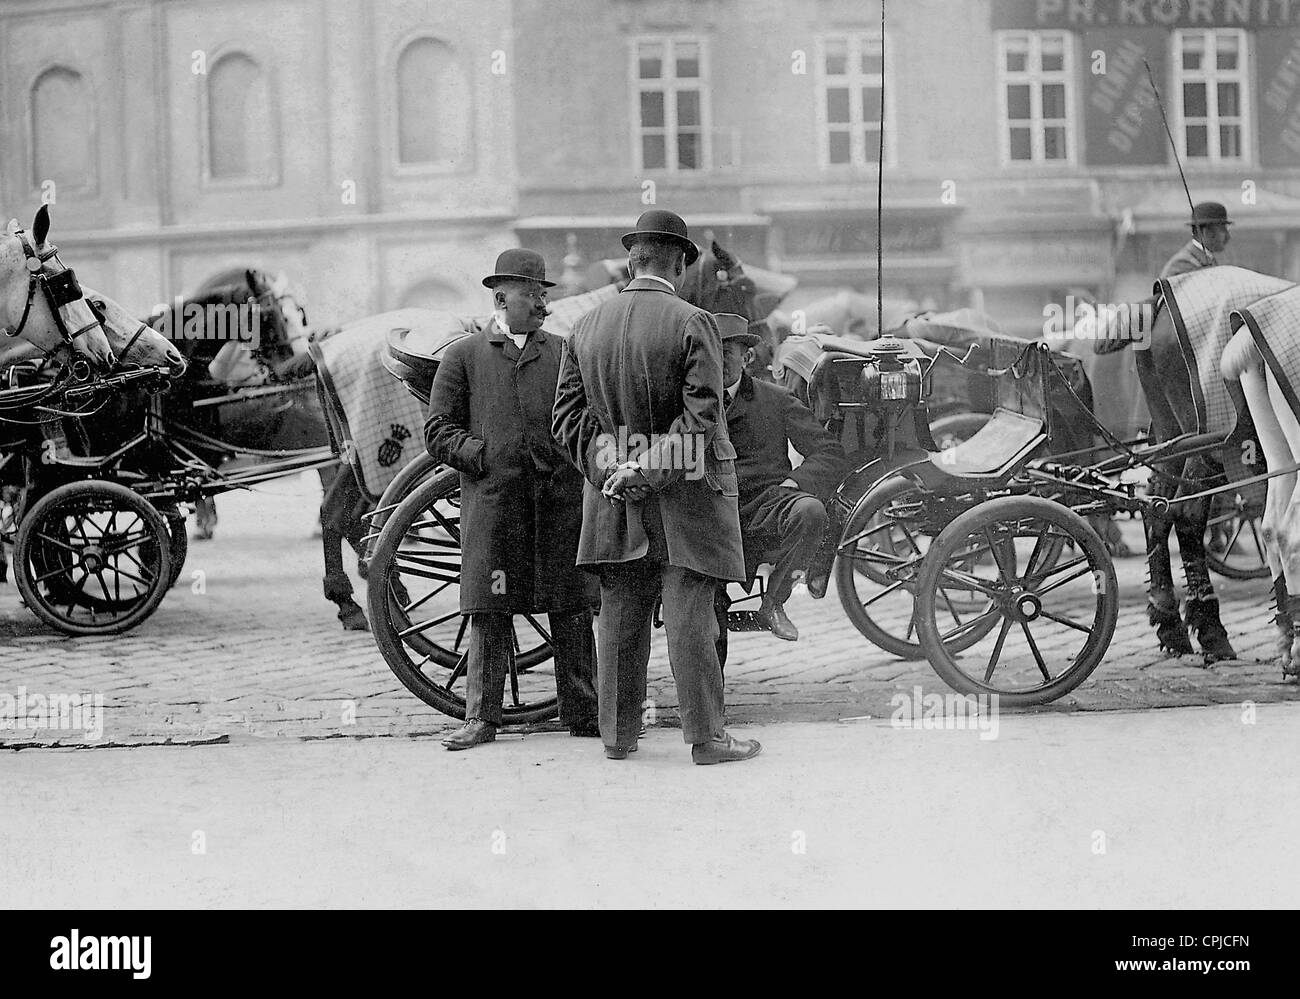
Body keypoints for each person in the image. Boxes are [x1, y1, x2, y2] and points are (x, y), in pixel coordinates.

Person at [552, 209, 761, 765]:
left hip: (612, 496)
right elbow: (701, 422)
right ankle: (708, 739)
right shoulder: (694, 322)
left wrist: (614, 471)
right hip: (686, 494)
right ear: (679, 262)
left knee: (620, 609)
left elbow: (567, 422)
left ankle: (619, 737)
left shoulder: (585, 326)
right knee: (691, 608)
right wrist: (647, 471)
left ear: (632, 259)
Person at [425, 248, 599, 750]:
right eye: (532, 294)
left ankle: (583, 712)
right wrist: (484, 457)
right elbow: (437, 431)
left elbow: (583, 418)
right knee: (491, 608)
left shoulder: (565, 352)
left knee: (570, 606)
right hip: (496, 507)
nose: (542, 303)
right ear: (501, 298)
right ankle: (482, 719)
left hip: (557, 503)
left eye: (544, 293)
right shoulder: (464, 356)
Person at [712, 314, 845, 655]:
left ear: (748, 357)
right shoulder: (693, 404)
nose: (722, 358)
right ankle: (711, 694)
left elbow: (828, 452)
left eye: (731, 350)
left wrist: (795, 482)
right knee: (707, 619)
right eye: (714, 349)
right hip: (710, 516)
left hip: (766, 507)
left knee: (810, 511)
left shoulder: (775, 400)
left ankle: (773, 601)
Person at [1161, 201, 1231, 279]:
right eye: (1223, 229)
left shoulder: (1207, 259)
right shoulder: (1183, 264)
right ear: (1206, 232)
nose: (1228, 236)